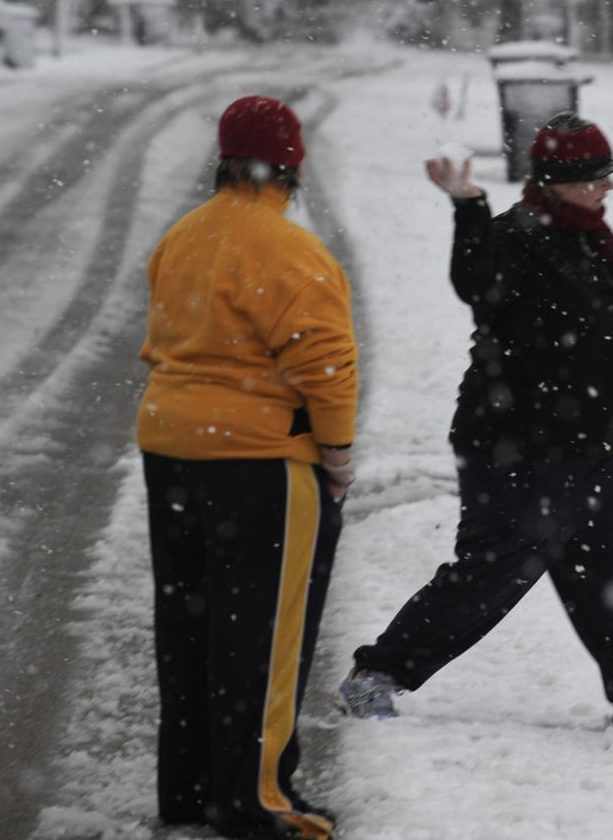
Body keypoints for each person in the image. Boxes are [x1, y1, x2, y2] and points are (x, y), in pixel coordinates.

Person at [339, 112, 613, 730]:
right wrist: (468, 204)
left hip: (591, 444)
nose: (608, 188)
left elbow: (590, 309)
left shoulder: (588, 235)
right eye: (597, 177)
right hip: (514, 445)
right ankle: (377, 675)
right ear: (558, 181)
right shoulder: (517, 234)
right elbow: (476, 281)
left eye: (609, 175)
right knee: (492, 574)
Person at [137, 96, 357, 840]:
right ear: (291, 165)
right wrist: (336, 453)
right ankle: (254, 799)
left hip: (171, 450)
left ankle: (192, 788)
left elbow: (165, 331)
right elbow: (326, 364)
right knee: (261, 635)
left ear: (223, 159)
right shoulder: (290, 250)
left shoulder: (183, 236)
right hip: (259, 462)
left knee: (188, 621)